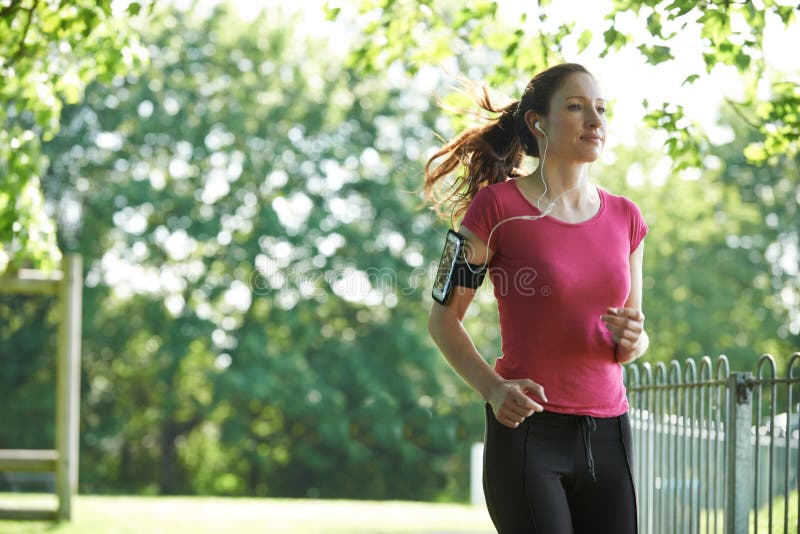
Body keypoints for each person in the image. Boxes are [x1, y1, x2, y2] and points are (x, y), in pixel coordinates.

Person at [425, 63, 649, 533]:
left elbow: (631, 340)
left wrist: (636, 339)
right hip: (528, 433)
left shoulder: (627, 218)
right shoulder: (496, 208)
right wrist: (492, 389)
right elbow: (443, 320)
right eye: (576, 106)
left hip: (611, 436)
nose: (595, 120)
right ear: (538, 122)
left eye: (601, 109)